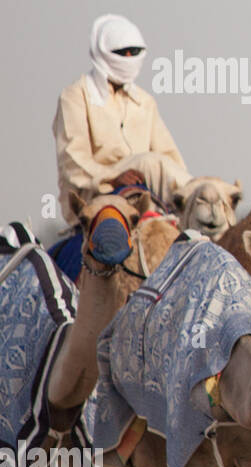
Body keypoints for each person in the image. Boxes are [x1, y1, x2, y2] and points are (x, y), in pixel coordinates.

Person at [50, 14, 190, 277]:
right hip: (95, 199)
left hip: (145, 199)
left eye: (133, 52)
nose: (128, 57)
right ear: (103, 52)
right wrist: (112, 178)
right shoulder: (76, 97)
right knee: (149, 162)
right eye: (121, 52)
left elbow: (170, 159)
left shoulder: (144, 103)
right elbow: (72, 160)